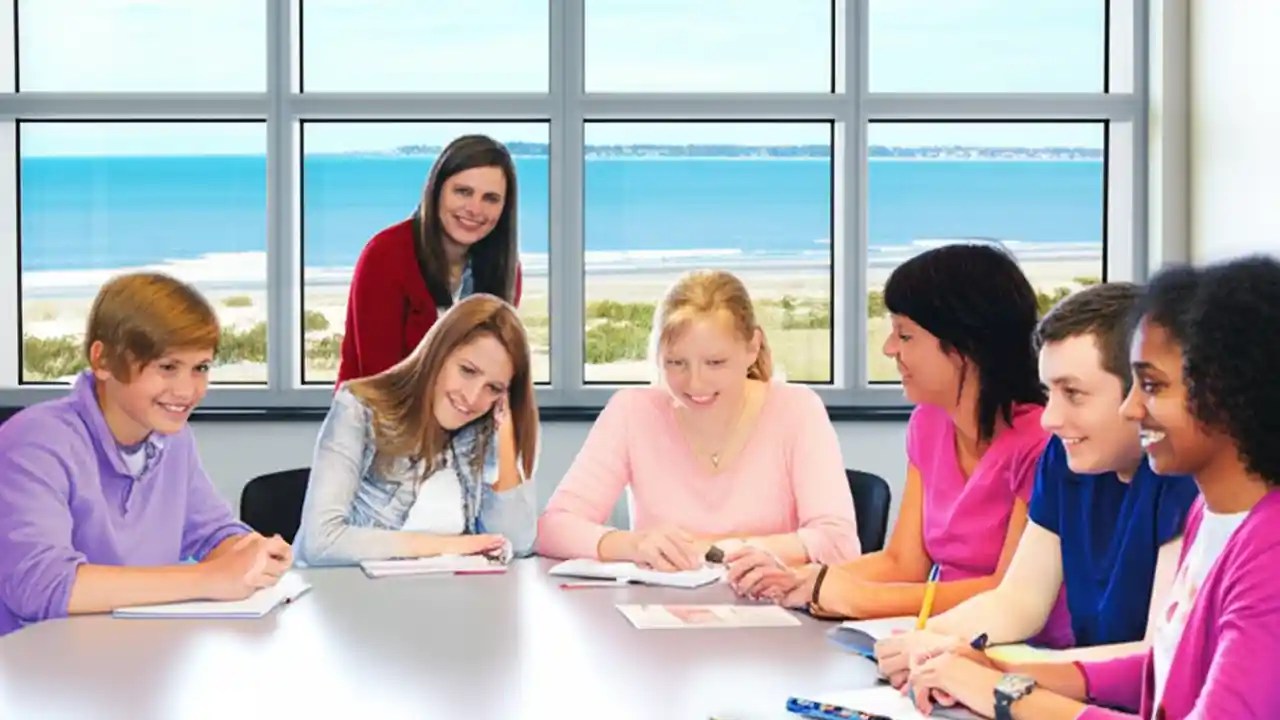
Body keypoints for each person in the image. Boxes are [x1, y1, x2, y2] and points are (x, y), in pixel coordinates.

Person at [902, 255, 1280, 719]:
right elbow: (1162, 665)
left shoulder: (1268, 546)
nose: (1131, 408)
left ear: (1228, 394)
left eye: (1152, 386)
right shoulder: (1212, 515)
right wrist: (990, 667)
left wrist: (1008, 696)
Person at [876, 284, 1198, 685]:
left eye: (1074, 394)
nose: (1049, 419)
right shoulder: (1062, 460)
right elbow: (1019, 601)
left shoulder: (1185, 479)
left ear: (1141, 391)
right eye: (1049, 393)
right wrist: (928, 641)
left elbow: (1156, 655)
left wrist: (996, 673)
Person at [726, 243, 1050, 623]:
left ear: (964, 345)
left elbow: (1006, 590)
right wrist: (797, 580)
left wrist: (855, 598)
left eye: (905, 335)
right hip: (939, 636)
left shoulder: (1041, 444)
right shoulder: (929, 423)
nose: (888, 348)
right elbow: (903, 562)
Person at [0, 273, 291, 637]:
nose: (187, 391)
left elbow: (213, 532)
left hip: (137, 661)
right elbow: (40, 586)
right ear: (102, 360)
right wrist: (207, 578)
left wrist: (252, 552)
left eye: (200, 367)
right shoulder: (36, 441)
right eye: (167, 367)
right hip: (37, 674)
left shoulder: (173, 438)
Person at [536, 269, 859, 569]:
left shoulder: (796, 410)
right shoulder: (632, 412)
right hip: (657, 615)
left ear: (752, 347)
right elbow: (554, 528)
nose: (695, 384)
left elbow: (838, 542)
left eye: (715, 362)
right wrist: (631, 545)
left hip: (774, 612)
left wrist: (715, 552)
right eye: (676, 363)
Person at [295, 294, 539, 566]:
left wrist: (505, 440)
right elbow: (319, 542)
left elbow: (517, 543)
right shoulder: (358, 409)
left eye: (493, 388)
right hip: (353, 598)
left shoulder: (485, 429)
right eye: (467, 371)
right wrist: (451, 546)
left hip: (450, 599)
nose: (472, 398)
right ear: (439, 353)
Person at [337, 134, 523, 385]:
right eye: (463, 192)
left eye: (490, 198)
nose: (475, 209)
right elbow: (380, 382)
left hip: (462, 417)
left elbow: (496, 374)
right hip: (377, 416)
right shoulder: (385, 255)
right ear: (436, 191)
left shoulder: (506, 269)